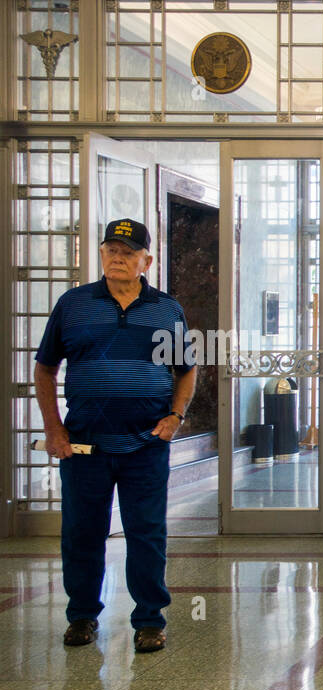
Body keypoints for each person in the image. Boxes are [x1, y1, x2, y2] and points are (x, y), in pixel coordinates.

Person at [35, 219, 196, 653]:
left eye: (128, 252)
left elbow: (186, 370)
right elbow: (45, 368)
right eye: (111, 250)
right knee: (82, 532)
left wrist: (175, 418)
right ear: (102, 254)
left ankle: (149, 619)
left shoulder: (166, 309)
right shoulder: (73, 305)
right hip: (85, 443)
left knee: (146, 532)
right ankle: (82, 616)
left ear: (147, 260)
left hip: (145, 443)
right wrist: (54, 428)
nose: (118, 258)